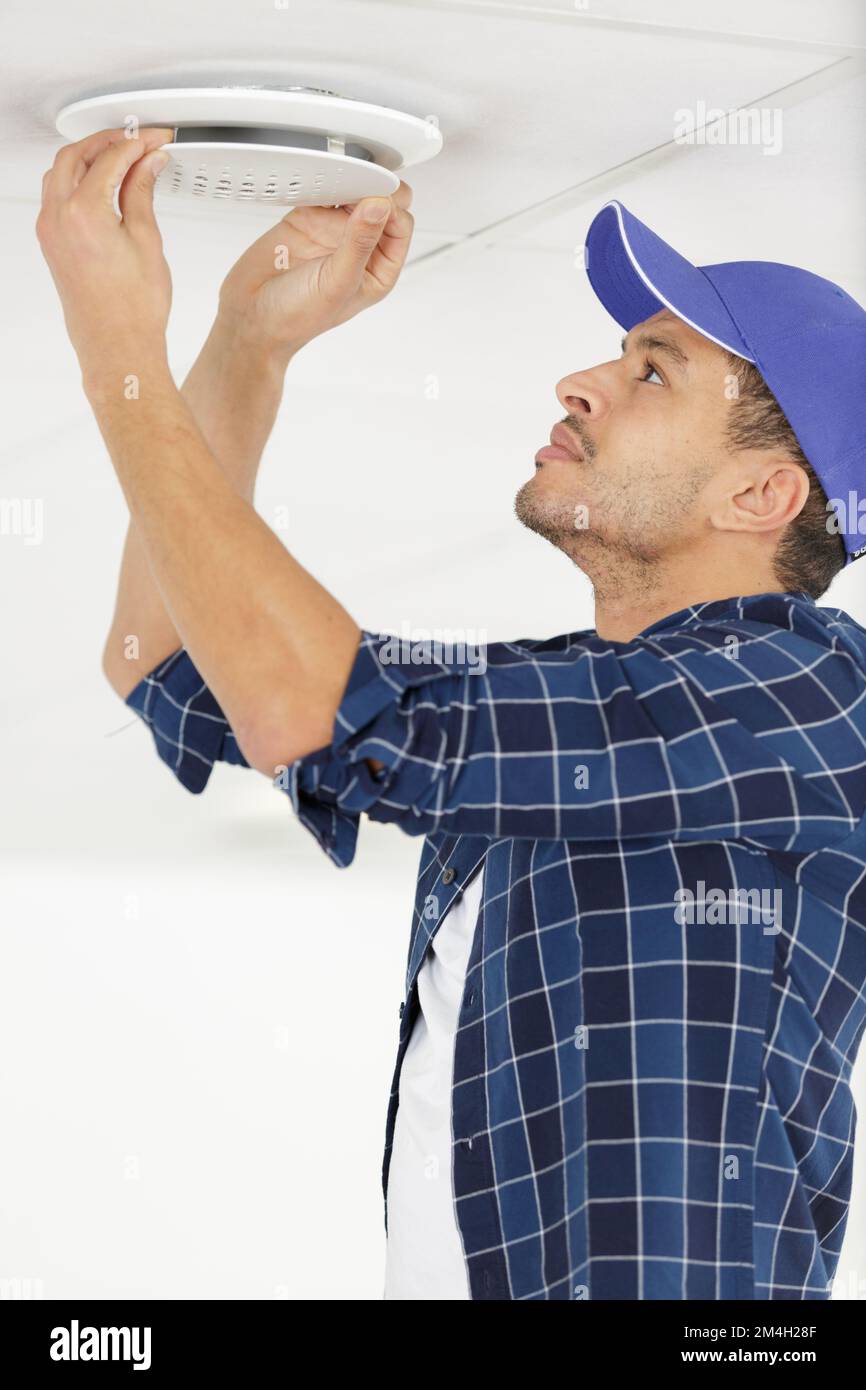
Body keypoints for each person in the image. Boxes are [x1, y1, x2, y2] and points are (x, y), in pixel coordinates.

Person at [37, 127, 866, 1301]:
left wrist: (115, 344)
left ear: (761, 493)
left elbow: (311, 708)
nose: (577, 381)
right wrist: (245, 347)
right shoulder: (577, 714)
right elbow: (170, 660)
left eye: (649, 370)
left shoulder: (809, 694)